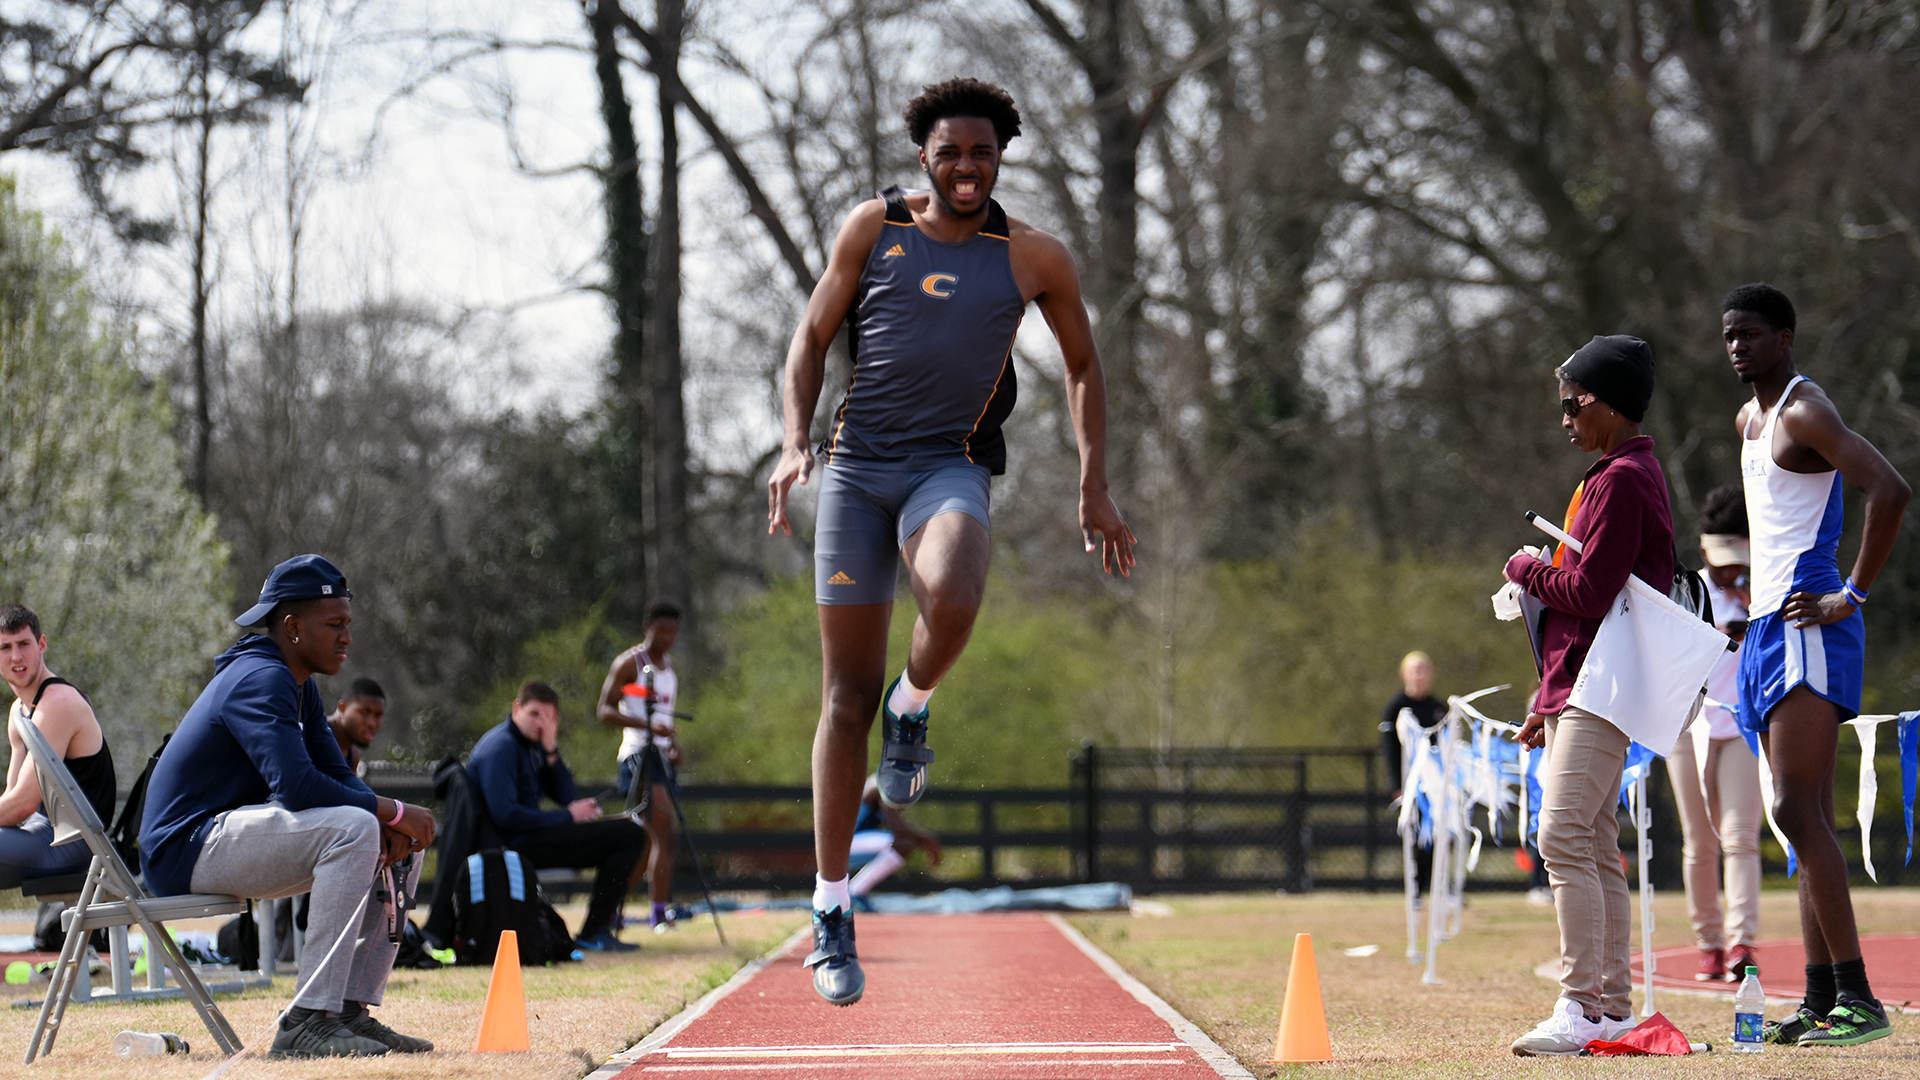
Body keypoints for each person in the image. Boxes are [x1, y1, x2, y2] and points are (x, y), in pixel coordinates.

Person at [766, 77, 1135, 1007]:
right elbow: (810, 338)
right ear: (923, 159)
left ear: (1000, 157)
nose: (967, 167)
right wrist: (794, 440)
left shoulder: (1033, 256)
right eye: (950, 153)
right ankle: (831, 909)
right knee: (843, 698)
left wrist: (1094, 484)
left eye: (982, 153)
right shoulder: (874, 228)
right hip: (857, 470)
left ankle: (915, 706)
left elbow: (1083, 364)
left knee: (957, 597)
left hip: (948, 466)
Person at [139, 555, 437, 1058]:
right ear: (294, 628)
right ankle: (306, 1020)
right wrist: (389, 809)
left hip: (222, 837)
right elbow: (297, 788)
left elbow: (337, 776)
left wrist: (392, 819)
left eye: (348, 624)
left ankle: (347, 1012)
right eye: (335, 624)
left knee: (399, 839)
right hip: (184, 848)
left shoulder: (299, 686)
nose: (347, 637)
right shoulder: (261, 676)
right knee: (358, 826)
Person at [1723, 282, 1909, 1047]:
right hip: (1766, 628)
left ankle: (1860, 999)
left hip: (1809, 621)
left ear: (1785, 338)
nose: (1737, 346)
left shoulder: (1804, 411)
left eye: (1750, 333)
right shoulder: (1747, 419)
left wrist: (1851, 592)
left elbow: (1889, 489)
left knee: (1797, 810)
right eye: (1729, 335)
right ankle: (1821, 997)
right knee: (1800, 818)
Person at [1501, 335, 1672, 1056]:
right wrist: (1547, 700)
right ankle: (1610, 1009)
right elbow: (1586, 608)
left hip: (1604, 683)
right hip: (1589, 681)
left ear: (1611, 403)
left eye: (1574, 404)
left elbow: (1591, 592)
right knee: (1595, 841)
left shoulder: (1624, 478)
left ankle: (1581, 1005)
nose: (1565, 418)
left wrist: (1525, 570)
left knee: (1563, 834)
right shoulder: (1613, 475)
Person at [1665, 485, 1762, 983]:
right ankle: (1709, 943)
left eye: (1737, 562)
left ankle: (1742, 941)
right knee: (1699, 840)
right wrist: (1715, 638)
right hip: (1690, 727)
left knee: (1741, 837)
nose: (1729, 572)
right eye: (1722, 563)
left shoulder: (1762, 592)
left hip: (1742, 726)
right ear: (1705, 552)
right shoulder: (1688, 590)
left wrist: (1753, 613)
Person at [469, 680, 646, 952]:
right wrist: (568, 816)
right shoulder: (501, 747)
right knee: (629, 836)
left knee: (629, 832)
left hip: (532, 837)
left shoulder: (533, 746)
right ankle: (593, 932)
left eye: (549, 718)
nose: (540, 723)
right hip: (511, 846)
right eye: (534, 714)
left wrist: (551, 749)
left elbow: (565, 794)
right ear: (516, 708)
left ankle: (595, 930)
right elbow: (505, 816)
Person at [1, 603, 114, 889]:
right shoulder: (18, 712)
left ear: (41, 645)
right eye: (5, 647)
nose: (16, 656)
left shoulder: (58, 703)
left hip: (76, 845)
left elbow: (22, 804)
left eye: (24, 644)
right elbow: (12, 798)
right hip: (41, 833)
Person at [596, 601, 682, 930]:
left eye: (673, 631)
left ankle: (645, 911)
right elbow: (604, 710)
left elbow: (665, 716)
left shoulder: (670, 667)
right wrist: (646, 726)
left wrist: (673, 744)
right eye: (661, 630)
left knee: (652, 840)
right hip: (637, 754)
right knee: (660, 832)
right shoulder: (629, 662)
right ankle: (631, 911)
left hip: (662, 756)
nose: (667, 637)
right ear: (647, 628)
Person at [1378, 651, 1443, 898]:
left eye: (1424, 670)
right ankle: (1415, 888)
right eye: (1415, 670)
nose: (1420, 676)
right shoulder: (1395, 708)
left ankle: (1438, 886)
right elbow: (1390, 749)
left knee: (1439, 835)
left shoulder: (1439, 708)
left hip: (1436, 787)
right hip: (1410, 785)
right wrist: (1397, 784)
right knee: (1413, 836)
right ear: (1403, 674)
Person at [848, 774, 942, 900]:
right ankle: (854, 893)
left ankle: (854, 892)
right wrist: (930, 841)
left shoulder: (887, 785)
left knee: (903, 843)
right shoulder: (880, 786)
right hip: (845, 844)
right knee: (903, 844)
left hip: (850, 844)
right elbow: (899, 829)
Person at [328, 677, 387, 775]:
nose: (371, 723)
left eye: (378, 715)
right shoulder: (318, 735)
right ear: (343, 708)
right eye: (364, 712)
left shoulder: (352, 753)